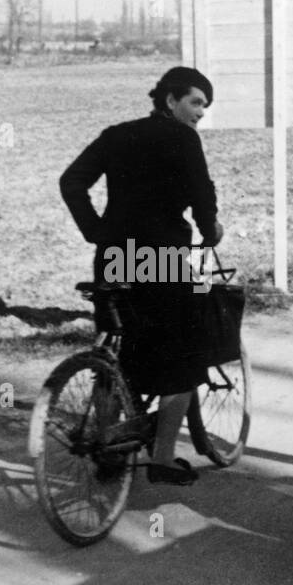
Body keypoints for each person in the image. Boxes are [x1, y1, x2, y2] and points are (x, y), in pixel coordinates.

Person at [60, 66, 223, 485]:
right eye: (196, 102)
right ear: (170, 100)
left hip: (115, 257)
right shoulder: (184, 138)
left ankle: (110, 445)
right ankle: (163, 458)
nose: (201, 112)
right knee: (184, 359)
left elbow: (72, 181)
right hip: (162, 260)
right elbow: (202, 193)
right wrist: (211, 230)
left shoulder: (116, 134)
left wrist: (95, 230)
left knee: (119, 349)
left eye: (205, 105)